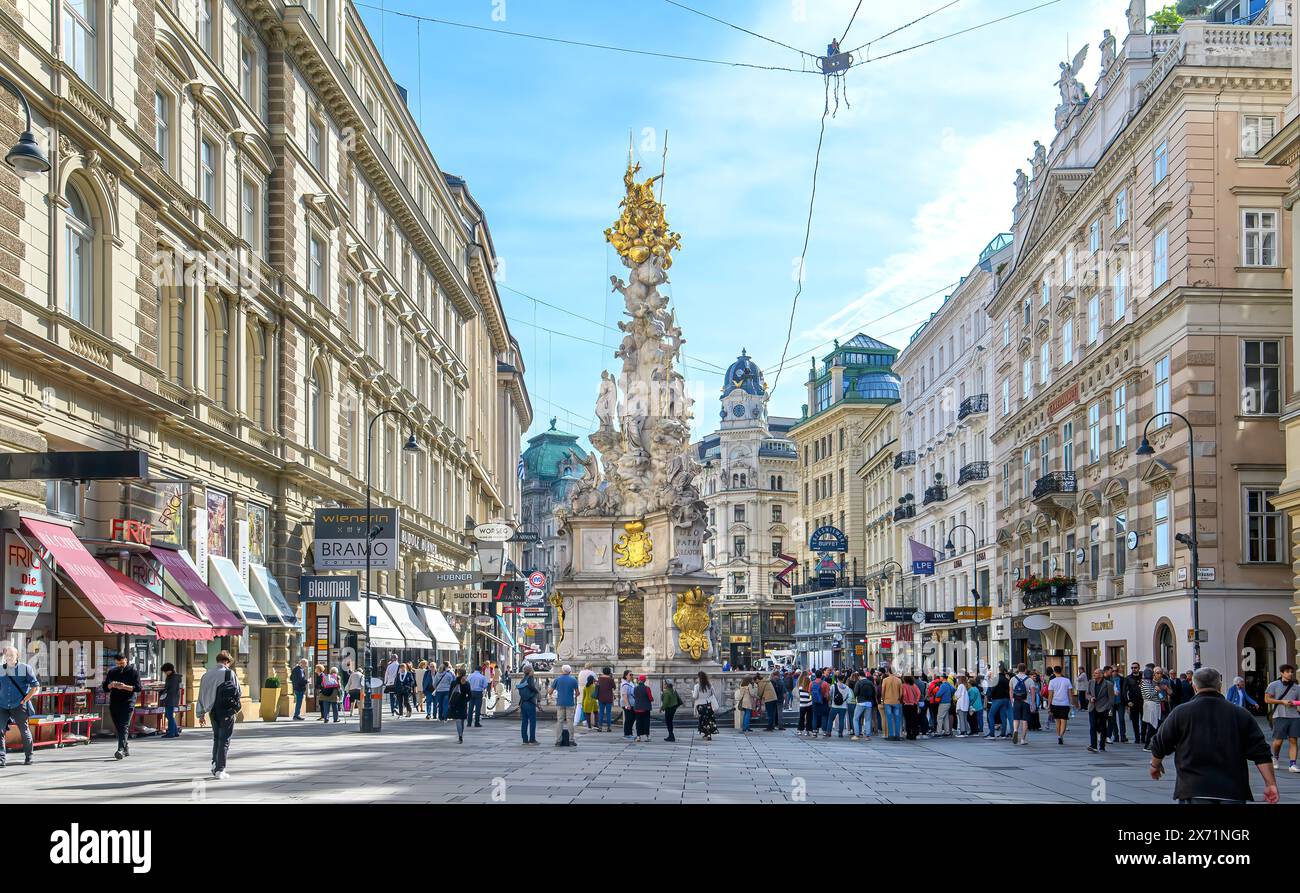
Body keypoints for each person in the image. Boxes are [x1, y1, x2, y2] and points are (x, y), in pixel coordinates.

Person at [1149, 667, 1279, 804]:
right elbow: (1260, 752)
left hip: (1194, 788)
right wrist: (1270, 784)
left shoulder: (1181, 712)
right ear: (1219, 685)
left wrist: (1155, 765)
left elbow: (1161, 742)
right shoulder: (1240, 713)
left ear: (1194, 686)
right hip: (1232, 790)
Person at [196, 650, 241, 779]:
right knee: (224, 739)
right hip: (226, 710)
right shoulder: (229, 673)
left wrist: (200, 714)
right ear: (227, 661)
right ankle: (220, 769)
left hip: (212, 710)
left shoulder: (206, 675)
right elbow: (238, 691)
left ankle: (215, 763)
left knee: (216, 738)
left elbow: (201, 695)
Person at [0, 645, 39, 768]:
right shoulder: (1, 669)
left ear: (17, 656)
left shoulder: (25, 668)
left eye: (12, 655)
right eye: (7, 655)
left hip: (19, 704)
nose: (9, 657)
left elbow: (35, 686)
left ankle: (29, 756)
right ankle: (1, 759)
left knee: (24, 730)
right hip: (2, 705)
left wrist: (25, 700)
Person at [103, 652, 143, 759]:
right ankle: (125, 747)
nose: (120, 665)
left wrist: (125, 687)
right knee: (118, 726)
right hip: (114, 702)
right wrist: (110, 685)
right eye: (118, 663)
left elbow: (138, 688)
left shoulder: (133, 672)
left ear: (126, 660)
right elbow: (105, 688)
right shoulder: (112, 672)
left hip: (128, 702)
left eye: (122, 663)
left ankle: (120, 749)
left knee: (124, 726)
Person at [1264, 663, 1300, 774]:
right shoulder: (1273, 685)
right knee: (1278, 742)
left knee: (1293, 740)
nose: (1290, 674)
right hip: (1279, 716)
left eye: (1291, 672)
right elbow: (1267, 700)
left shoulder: (1296, 687)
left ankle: (1292, 764)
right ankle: (1275, 757)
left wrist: (1295, 703)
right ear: (1282, 673)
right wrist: (1282, 702)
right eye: (1288, 672)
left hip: (1294, 716)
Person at [550, 664, 579, 746]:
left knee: (560, 721)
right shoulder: (573, 680)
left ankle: (558, 740)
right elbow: (577, 693)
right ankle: (571, 740)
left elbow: (550, 692)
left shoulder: (557, 679)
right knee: (570, 721)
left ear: (562, 671)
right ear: (570, 671)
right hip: (570, 702)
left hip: (560, 702)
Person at [1086, 667, 1114, 753]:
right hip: (1092, 707)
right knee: (1093, 726)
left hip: (1103, 708)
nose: (1094, 674)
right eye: (1094, 673)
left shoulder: (1108, 684)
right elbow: (1087, 694)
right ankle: (1093, 745)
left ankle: (1102, 745)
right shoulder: (1091, 682)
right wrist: (1090, 698)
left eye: (1096, 673)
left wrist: (1108, 708)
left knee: (1103, 727)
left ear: (1101, 675)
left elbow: (1111, 698)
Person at [1047, 665, 1073, 745]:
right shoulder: (1067, 680)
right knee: (1064, 720)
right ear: (1061, 671)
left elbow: (1050, 694)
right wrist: (1071, 703)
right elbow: (1070, 693)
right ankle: (1061, 735)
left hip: (1055, 703)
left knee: (1057, 721)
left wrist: (1049, 705)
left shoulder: (1052, 681)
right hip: (1065, 703)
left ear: (1054, 672)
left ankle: (1058, 736)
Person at [1141, 667, 1164, 749]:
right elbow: (1148, 696)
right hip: (1151, 706)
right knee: (1152, 726)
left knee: (1155, 726)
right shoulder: (1145, 683)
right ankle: (1147, 745)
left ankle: (1151, 744)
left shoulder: (1150, 683)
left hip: (1155, 705)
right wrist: (1156, 690)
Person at [516, 664, 540, 745]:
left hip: (523, 703)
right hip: (530, 702)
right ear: (530, 671)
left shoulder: (522, 680)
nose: (533, 671)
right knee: (532, 722)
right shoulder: (530, 678)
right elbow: (532, 688)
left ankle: (525, 740)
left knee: (524, 722)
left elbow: (521, 692)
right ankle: (532, 740)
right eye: (532, 670)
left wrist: (519, 704)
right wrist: (537, 692)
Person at [1009, 663, 1032, 746]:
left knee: (1016, 719)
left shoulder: (1012, 679)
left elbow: (1011, 691)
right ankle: (1023, 739)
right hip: (1026, 702)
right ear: (1025, 669)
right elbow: (1032, 692)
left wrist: (1012, 701)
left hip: (1016, 701)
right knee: (1025, 720)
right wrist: (1033, 703)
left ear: (1018, 669)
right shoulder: (1029, 679)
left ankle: (1015, 730)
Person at [986, 667, 1011, 738]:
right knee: (1003, 716)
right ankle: (1003, 734)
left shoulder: (996, 679)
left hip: (997, 699)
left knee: (990, 715)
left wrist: (989, 696)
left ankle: (992, 733)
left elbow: (992, 690)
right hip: (1005, 699)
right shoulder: (1007, 679)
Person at [447, 669, 471, 743]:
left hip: (455, 703)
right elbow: (470, 695)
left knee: (458, 720)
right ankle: (461, 735)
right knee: (462, 720)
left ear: (458, 673)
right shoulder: (467, 683)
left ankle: (460, 736)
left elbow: (450, 694)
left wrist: (449, 702)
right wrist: (466, 700)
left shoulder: (454, 682)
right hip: (463, 703)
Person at [694, 672, 719, 740]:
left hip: (700, 705)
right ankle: (708, 734)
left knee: (702, 720)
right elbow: (713, 693)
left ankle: (706, 734)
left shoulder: (697, 686)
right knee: (709, 719)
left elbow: (695, 696)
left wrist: (692, 693)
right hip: (708, 704)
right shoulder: (709, 685)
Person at [160, 662, 182, 739]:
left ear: (170, 670)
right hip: (171, 698)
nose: (165, 673)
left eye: (166, 671)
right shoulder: (171, 677)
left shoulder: (173, 678)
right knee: (169, 715)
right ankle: (175, 731)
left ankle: (171, 732)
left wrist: (163, 691)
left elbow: (170, 689)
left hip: (171, 698)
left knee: (169, 715)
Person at [1123, 663, 1143, 744]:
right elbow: (1124, 691)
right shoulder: (1128, 678)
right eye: (1132, 668)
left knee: (1144, 720)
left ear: (1139, 668)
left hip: (1143, 701)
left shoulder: (1143, 677)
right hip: (1133, 702)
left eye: (1135, 667)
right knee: (1135, 721)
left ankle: (1143, 737)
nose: (1133, 669)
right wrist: (1128, 702)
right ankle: (1137, 738)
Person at [853, 671, 876, 741]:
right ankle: (867, 736)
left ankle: (857, 735)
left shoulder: (859, 682)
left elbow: (855, 693)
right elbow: (874, 693)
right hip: (869, 703)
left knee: (855, 718)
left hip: (861, 702)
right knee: (868, 719)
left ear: (859, 676)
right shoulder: (870, 683)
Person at [880, 669, 903, 740]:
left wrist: (883, 700)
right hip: (896, 701)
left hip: (887, 701)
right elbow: (901, 692)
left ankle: (890, 735)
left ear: (888, 672)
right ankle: (897, 735)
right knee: (897, 719)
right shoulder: (899, 680)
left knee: (889, 718)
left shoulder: (885, 680)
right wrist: (899, 698)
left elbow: (883, 691)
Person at [632, 674, 654, 742]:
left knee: (638, 722)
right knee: (646, 722)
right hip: (646, 708)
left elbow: (634, 696)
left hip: (637, 708)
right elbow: (650, 698)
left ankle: (638, 736)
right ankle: (647, 737)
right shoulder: (647, 688)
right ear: (644, 681)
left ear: (639, 680)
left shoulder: (635, 688)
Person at [596, 666, 616, 732]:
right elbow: (614, 687)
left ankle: (600, 727)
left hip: (601, 697)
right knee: (608, 713)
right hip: (608, 698)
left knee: (601, 712)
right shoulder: (611, 679)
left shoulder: (599, 678)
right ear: (609, 672)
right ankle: (608, 727)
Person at [620, 670, 637, 739]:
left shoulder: (630, 683)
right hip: (627, 704)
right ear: (626, 676)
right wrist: (628, 705)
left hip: (632, 704)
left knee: (632, 718)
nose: (632, 676)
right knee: (629, 718)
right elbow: (624, 695)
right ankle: (627, 734)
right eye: (630, 675)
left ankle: (630, 733)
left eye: (632, 675)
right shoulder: (625, 684)